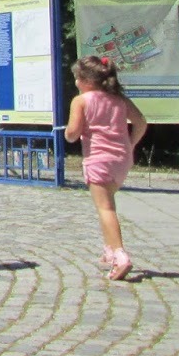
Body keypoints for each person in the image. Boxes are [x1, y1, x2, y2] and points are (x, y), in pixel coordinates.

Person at [65, 54, 148, 281]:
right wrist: (130, 143)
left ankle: (120, 255)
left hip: (98, 159)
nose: (75, 82)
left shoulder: (81, 101)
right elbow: (140, 122)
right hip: (122, 160)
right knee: (108, 203)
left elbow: (72, 134)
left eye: (76, 78)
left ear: (85, 80)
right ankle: (109, 249)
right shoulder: (119, 99)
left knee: (105, 209)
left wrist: (70, 132)